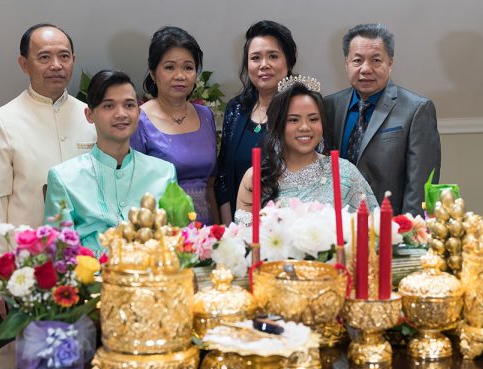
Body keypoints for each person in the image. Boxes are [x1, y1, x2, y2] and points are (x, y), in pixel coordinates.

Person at [0, 23, 94, 369]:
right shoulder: (3, 121)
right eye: (44, 57)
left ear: (73, 60)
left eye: (64, 56)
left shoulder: (92, 115)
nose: (56, 65)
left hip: (82, 269)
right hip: (23, 273)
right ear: (24, 64)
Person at [45, 70, 177, 251]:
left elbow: (175, 242)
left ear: (138, 113)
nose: (121, 114)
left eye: (129, 105)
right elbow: (60, 254)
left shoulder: (164, 173)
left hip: (150, 274)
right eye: (109, 106)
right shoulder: (64, 178)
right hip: (90, 276)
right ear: (89, 115)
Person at [323, 23, 440, 216]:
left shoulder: (417, 109)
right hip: (336, 226)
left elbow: (420, 186)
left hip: (389, 229)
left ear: (390, 63)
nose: (366, 69)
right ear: (346, 63)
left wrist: (409, 234)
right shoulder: (329, 106)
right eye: (357, 61)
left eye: (376, 60)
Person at [235, 76, 377, 224]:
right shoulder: (257, 177)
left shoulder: (345, 173)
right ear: (278, 125)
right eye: (293, 120)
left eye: (313, 119)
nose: (305, 127)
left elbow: (372, 231)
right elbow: (245, 241)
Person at [130, 26, 219, 225]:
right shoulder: (139, 120)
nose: (180, 76)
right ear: (153, 73)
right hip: (165, 234)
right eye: (170, 67)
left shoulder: (205, 116)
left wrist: (220, 232)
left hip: (207, 230)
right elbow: (134, 190)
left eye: (188, 67)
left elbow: (211, 185)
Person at [215, 20, 297, 224]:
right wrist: (230, 231)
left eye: (273, 56)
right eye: (255, 58)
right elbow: (223, 175)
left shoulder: (302, 108)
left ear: (288, 62)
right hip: (239, 229)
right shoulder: (236, 108)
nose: (264, 65)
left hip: (289, 230)